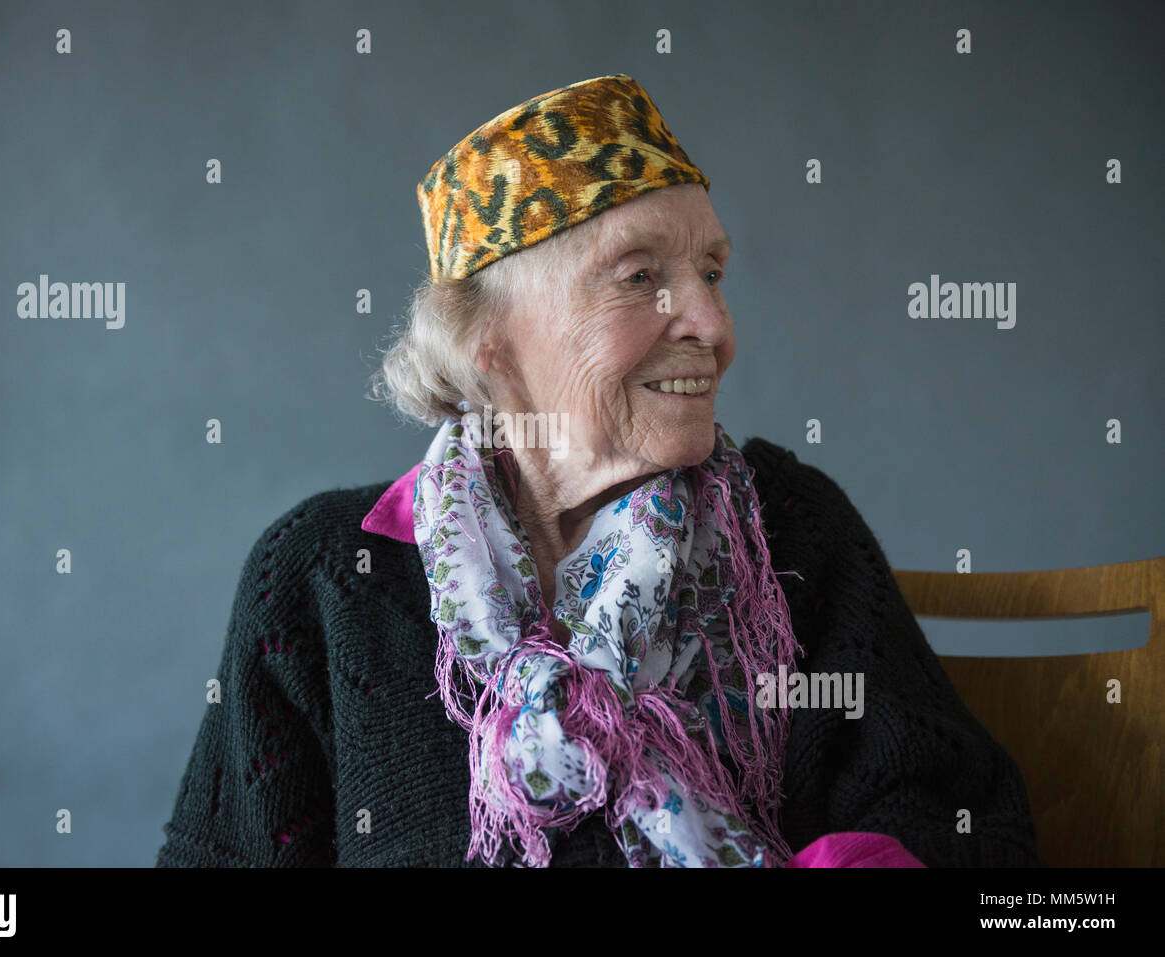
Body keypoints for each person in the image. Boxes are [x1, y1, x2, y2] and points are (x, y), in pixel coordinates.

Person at [155, 73, 1041, 868]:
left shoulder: (792, 529)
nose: (711, 324)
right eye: (640, 276)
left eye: (712, 272)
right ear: (487, 343)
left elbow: (964, 822)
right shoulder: (322, 580)